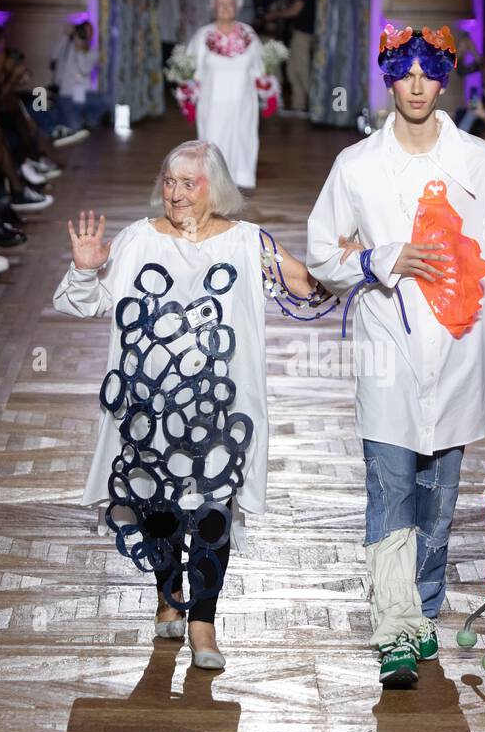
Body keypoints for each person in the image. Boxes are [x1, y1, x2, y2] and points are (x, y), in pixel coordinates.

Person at [306, 24, 485, 688]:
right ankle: (394, 631)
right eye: (404, 71)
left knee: (439, 502)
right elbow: (323, 250)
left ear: (444, 80)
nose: (416, 83)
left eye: (428, 71)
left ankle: (424, 614)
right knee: (391, 489)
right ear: (388, 78)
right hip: (387, 351)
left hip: (462, 353)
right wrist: (381, 258)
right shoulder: (357, 165)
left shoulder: (481, 163)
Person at [52, 140, 322, 670]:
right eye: (170, 181)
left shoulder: (249, 243)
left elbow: (309, 288)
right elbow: (83, 302)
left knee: (212, 512)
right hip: (147, 413)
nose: (175, 194)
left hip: (222, 414)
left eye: (188, 183)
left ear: (213, 188)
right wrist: (86, 269)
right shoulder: (137, 239)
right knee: (161, 510)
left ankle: (203, 624)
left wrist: (351, 258)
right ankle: (168, 595)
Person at [186, 0, 266, 190]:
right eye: (220, 4)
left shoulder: (249, 34)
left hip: (243, 102)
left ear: (237, 7)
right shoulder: (202, 36)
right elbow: (188, 71)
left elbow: (261, 69)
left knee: (243, 139)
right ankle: (212, 183)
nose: (225, 8)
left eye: (229, 3)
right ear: (213, 7)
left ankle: (242, 180)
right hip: (211, 103)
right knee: (212, 141)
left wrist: (267, 90)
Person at [266, 0, 317, 114]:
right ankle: (298, 105)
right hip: (301, 33)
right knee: (292, 69)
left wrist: (275, 14)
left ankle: (315, 105)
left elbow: (295, 10)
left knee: (301, 70)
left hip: (303, 33)